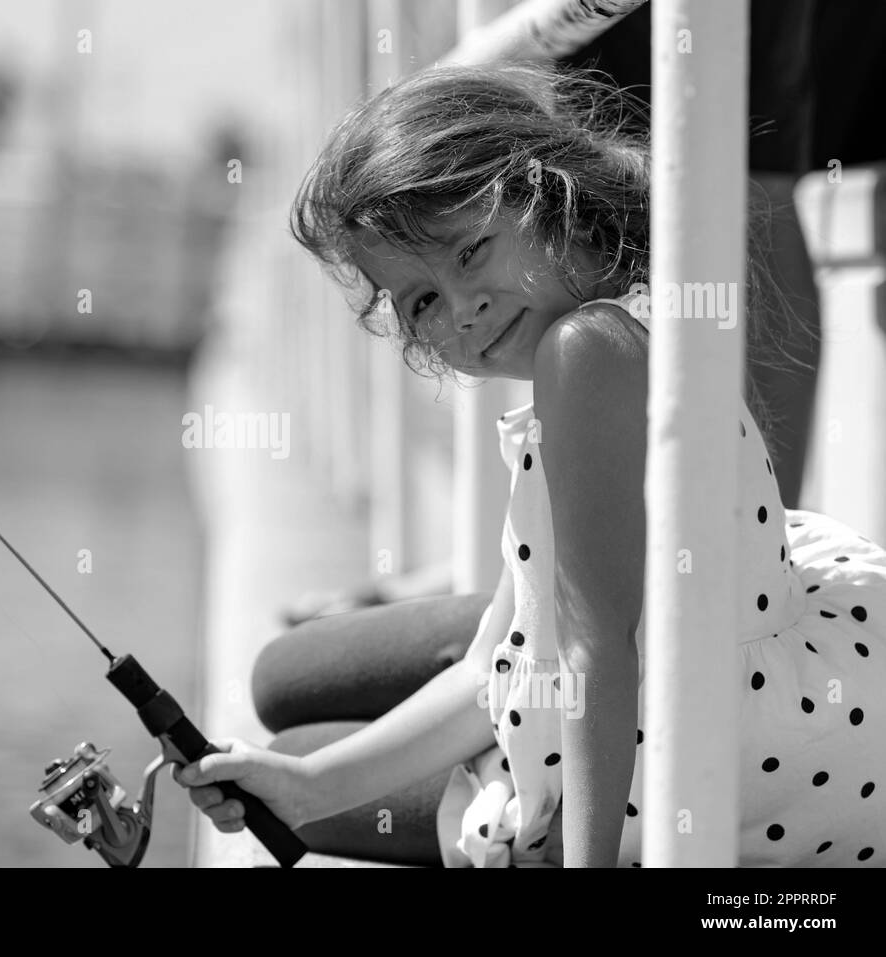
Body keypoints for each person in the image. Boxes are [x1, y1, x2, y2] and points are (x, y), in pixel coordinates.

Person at [174, 63, 886, 867]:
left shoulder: (587, 353)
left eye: (472, 250)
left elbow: (599, 655)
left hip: (705, 744)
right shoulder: (622, 313)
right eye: (420, 302)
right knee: (295, 729)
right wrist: (305, 782)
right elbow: (496, 660)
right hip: (728, 683)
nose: (462, 308)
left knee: (299, 713)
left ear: (544, 191)